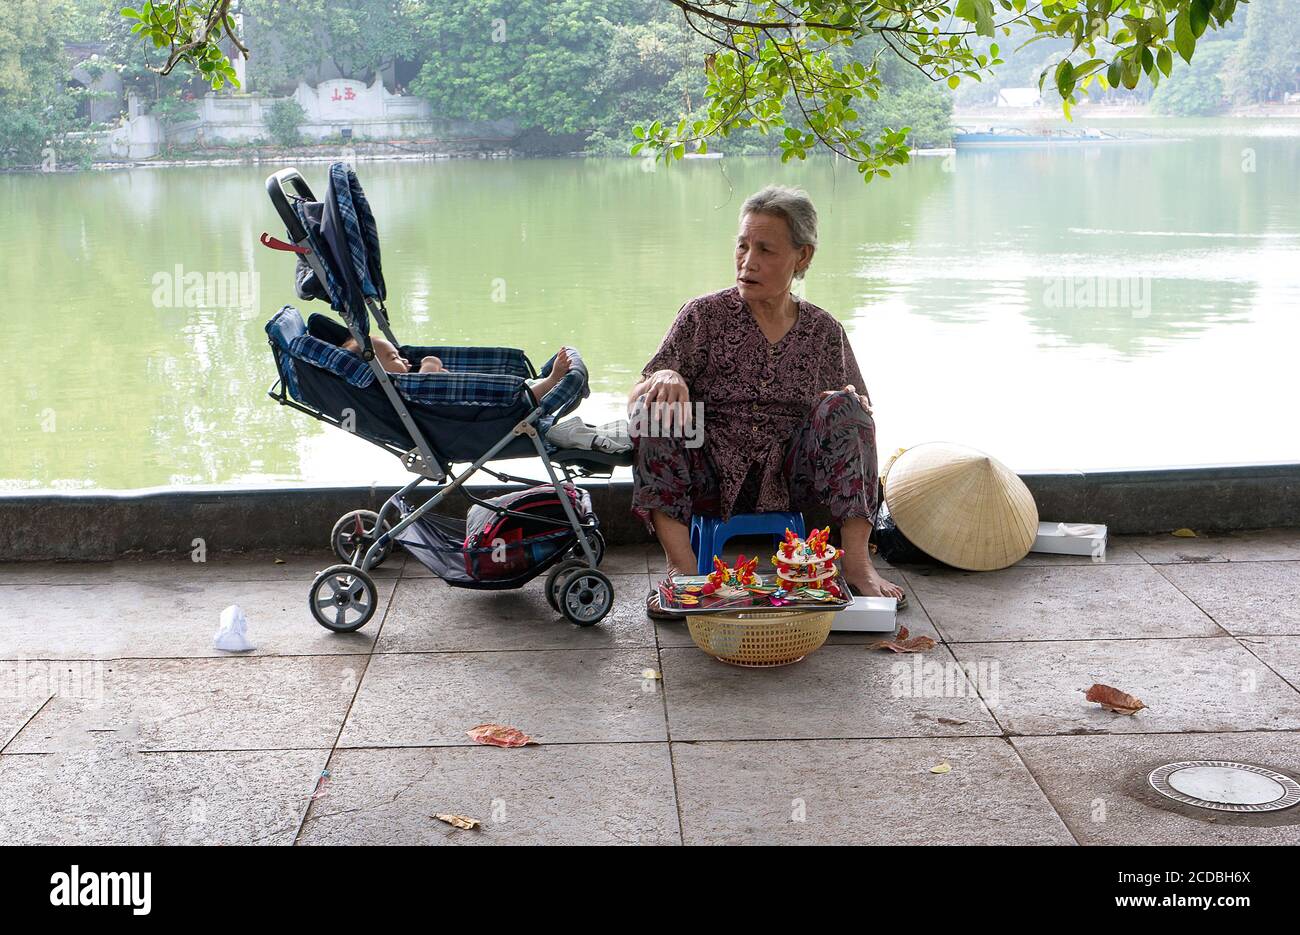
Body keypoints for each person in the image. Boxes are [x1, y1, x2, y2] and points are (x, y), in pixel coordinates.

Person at [628, 184, 906, 619]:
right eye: (742, 246)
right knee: (654, 407)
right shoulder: (703, 316)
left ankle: (857, 564)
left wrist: (841, 402)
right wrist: (665, 376)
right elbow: (639, 394)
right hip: (709, 475)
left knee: (846, 408)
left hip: (795, 476)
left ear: (803, 257)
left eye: (766, 250)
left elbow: (858, 412)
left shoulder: (823, 331)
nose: (748, 261)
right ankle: (682, 573)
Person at [342, 336, 572, 401]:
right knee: (521, 395)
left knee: (526, 388)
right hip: (494, 407)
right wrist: (431, 362)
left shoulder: (404, 384)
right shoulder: (410, 388)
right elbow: (429, 380)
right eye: (394, 357)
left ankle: (546, 383)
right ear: (375, 368)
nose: (405, 361)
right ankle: (552, 380)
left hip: (481, 403)